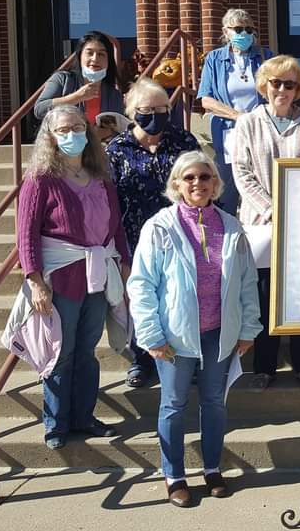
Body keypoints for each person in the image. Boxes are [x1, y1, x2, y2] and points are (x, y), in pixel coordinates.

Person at [127, 150, 261, 508]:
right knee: (173, 404)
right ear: (177, 184)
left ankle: (213, 469)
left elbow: (247, 282)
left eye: (204, 177)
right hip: (174, 335)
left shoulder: (231, 226)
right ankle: (174, 476)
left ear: (216, 184)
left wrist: (248, 328)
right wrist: (151, 335)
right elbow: (141, 284)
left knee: (215, 402)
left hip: (219, 332)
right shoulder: (160, 227)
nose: (197, 183)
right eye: (189, 178)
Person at [16, 105, 131, 450]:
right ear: (50, 137)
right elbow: (26, 234)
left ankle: (84, 417)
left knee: (86, 350)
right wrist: (35, 280)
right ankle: (56, 423)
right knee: (60, 353)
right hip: (61, 279)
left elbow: (117, 225)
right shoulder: (40, 181)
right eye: (64, 130)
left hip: (97, 276)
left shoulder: (101, 178)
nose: (72, 135)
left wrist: (123, 261)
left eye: (79, 127)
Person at [231, 54, 300, 391]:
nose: (282, 89)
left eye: (290, 84)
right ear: (264, 86)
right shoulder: (247, 123)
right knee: (262, 295)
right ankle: (264, 366)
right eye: (276, 83)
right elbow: (241, 172)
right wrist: (272, 209)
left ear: (298, 88)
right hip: (260, 223)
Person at [107, 76, 202, 388]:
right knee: (142, 296)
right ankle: (143, 359)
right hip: (133, 232)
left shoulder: (183, 141)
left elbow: (200, 183)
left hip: (180, 232)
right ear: (133, 111)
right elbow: (107, 195)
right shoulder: (118, 148)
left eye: (163, 109)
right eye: (149, 109)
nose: (157, 115)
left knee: (182, 294)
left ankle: (188, 357)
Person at [197, 9, 275, 213]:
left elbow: (275, 90)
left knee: (261, 183)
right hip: (228, 131)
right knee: (228, 189)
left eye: (249, 29)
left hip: (260, 129)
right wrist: (239, 117)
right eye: (238, 29)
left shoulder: (265, 56)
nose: (244, 34)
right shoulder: (214, 59)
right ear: (226, 31)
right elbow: (206, 99)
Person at [34, 31, 124, 123]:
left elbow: (117, 131)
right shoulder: (62, 79)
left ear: (108, 60)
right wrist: (77, 97)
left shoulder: (114, 95)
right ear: (80, 56)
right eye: (89, 53)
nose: (95, 58)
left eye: (101, 54)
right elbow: (40, 110)